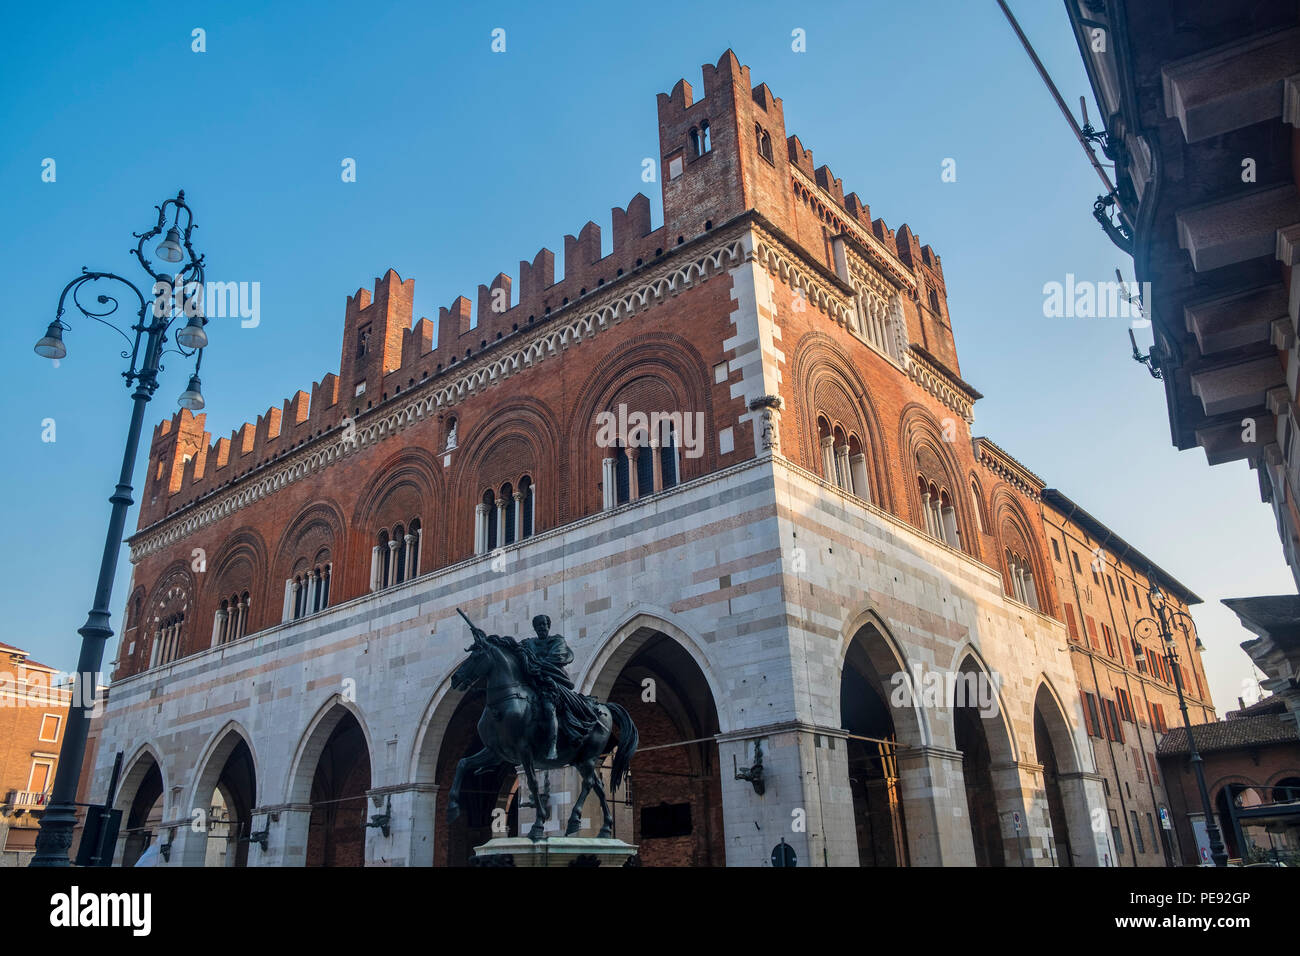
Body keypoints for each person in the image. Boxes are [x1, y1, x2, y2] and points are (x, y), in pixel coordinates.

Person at [519, 614, 598, 759]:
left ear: (548, 626)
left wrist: (537, 665)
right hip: (533, 682)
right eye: (539, 625)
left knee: (549, 708)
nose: (542, 627)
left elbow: (557, 657)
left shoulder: (557, 640)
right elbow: (515, 651)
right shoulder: (528, 643)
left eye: (544, 624)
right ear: (535, 628)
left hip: (552, 682)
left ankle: (552, 746)